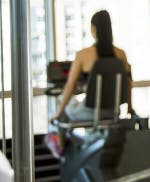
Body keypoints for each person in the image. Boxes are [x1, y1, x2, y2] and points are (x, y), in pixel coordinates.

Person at [45, 10, 135, 157]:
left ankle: (60, 144)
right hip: (113, 112)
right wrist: (130, 109)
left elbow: (70, 86)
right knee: (70, 106)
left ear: (93, 29)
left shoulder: (83, 55)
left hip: (90, 112)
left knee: (63, 102)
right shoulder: (121, 54)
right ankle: (67, 141)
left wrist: (58, 114)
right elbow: (129, 83)